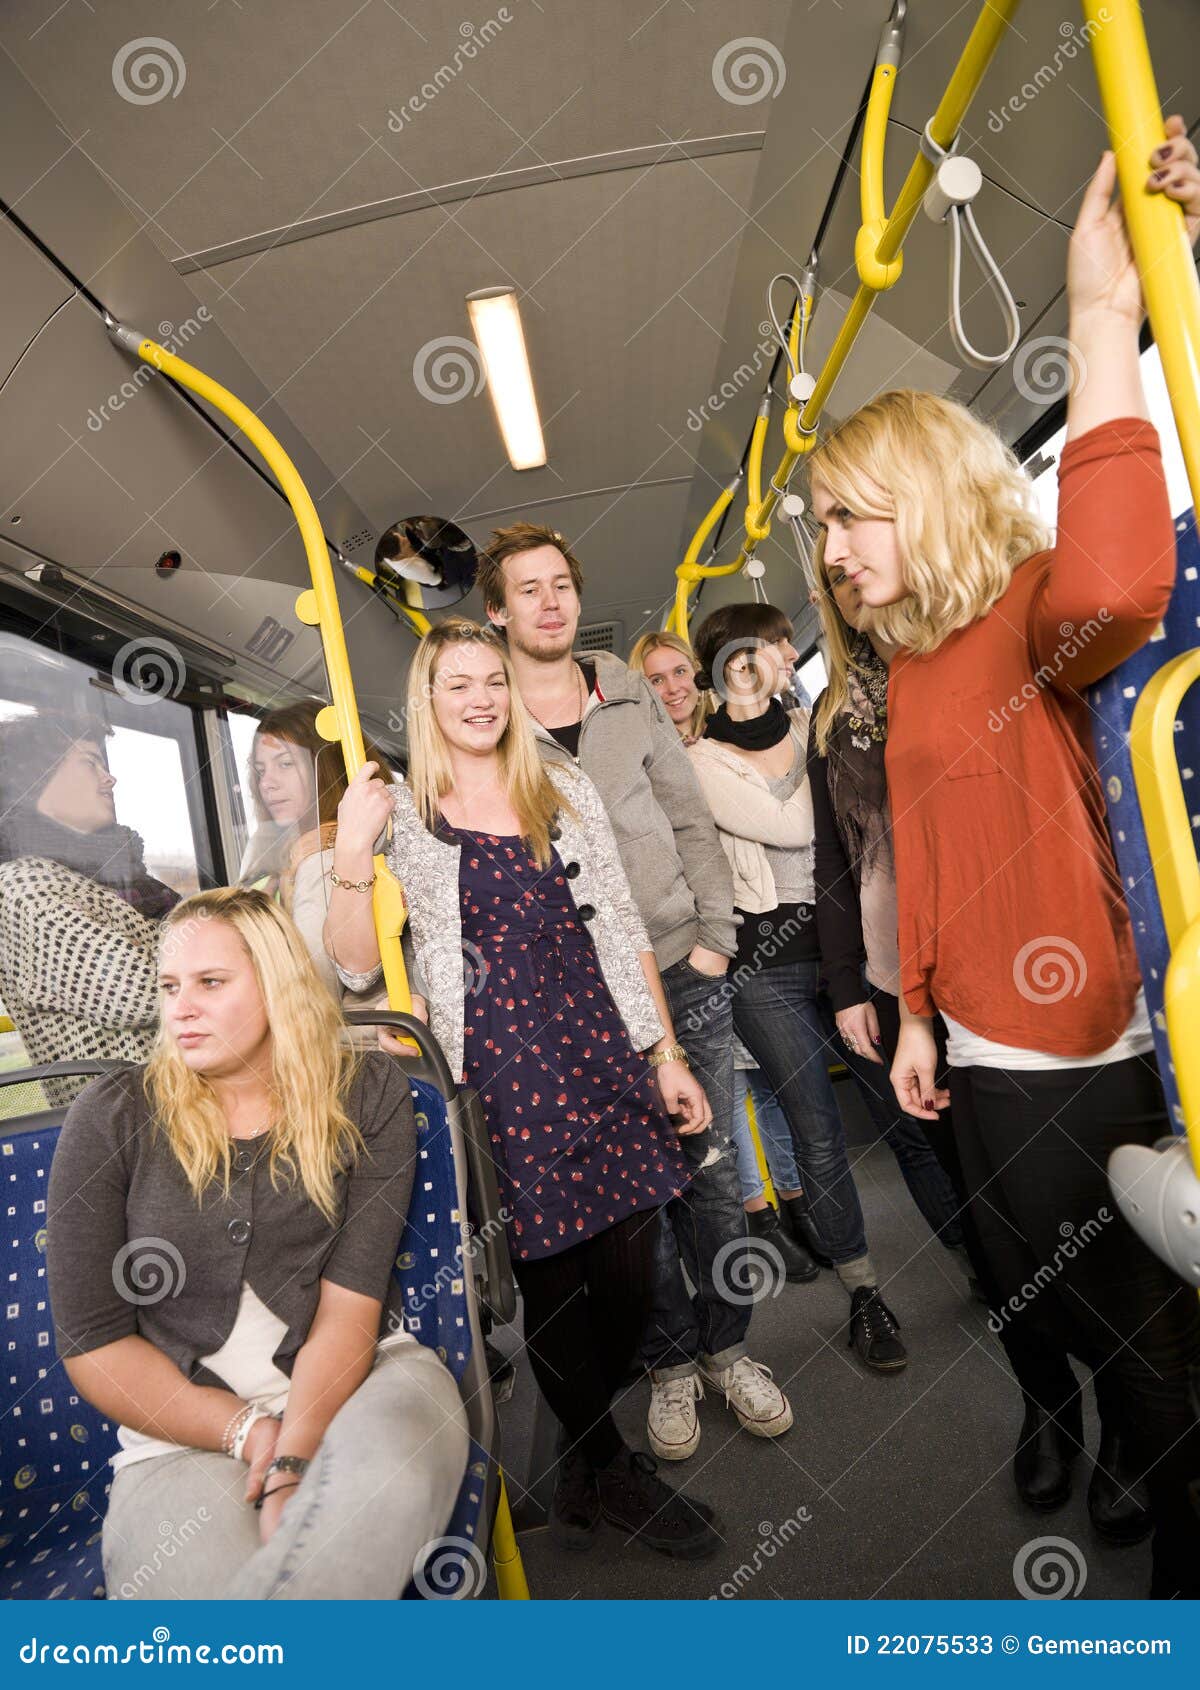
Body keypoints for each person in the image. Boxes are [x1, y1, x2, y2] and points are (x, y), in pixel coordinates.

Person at [806, 121, 1200, 1597]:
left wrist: (1103, 320)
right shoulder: (907, 662)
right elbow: (921, 842)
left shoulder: (1035, 608)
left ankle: (1179, 1552)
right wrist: (914, 1007)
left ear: (927, 487)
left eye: (850, 516)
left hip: (1063, 1035)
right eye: (823, 526)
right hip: (965, 1034)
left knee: (1133, 1327)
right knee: (1025, 1279)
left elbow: (1119, 579)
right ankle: (1080, 1428)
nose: (833, 551)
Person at [326, 619, 723, 1559]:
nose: (479, 699)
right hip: (501, 1073)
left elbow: (622, 928)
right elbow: (351, 969)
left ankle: (587, 1464)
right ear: (427, 701)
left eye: (492, 682)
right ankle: (611, 1466)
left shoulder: (563, 785)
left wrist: (664, 1051)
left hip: (600, 1043)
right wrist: (350, 850)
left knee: (632, 1261)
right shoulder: (404, 812)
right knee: (552, 1276)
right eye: (456, 683)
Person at [806, 547, 1150, 1541]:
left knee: (1085, 1220)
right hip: (906, 984)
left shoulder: (995, 645)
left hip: (1023, 968)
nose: (853, 580)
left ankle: (1133, 1419)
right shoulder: (838, 714)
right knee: (997, 1234)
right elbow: (842, 863)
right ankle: (1048, 1399)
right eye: (835, 575)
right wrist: (850, 988)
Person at [46, 886, 468, 1600]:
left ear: (277, 984)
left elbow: (348, 1307)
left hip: (370, 1384)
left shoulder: (366, 1093)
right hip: (179, 1436)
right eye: (170, 987)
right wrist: (248, 1433)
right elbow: (93, 1343)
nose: (180, 1008)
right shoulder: (110, 1119)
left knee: (358, 1524)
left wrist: (295, 1451)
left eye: (211, 983)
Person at [476, 524, 793, 1467]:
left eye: (561, 584)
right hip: (584, 999)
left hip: (679, 963)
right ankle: (666, 1365)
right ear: (497, 612)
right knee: (635, 1199)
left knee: (716, 1178)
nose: (549, 602)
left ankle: (728, 1348)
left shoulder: (623, 692)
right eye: (527, 590)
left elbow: (689, 818)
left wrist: (713, 941)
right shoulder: (489, 716)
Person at [688, 601, 908, 1371]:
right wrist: (822, 778)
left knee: (907, 1105)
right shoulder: (699, 761)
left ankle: (981, 1254)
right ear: (719, 672)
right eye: (749, 652)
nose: (771, 660)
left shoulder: (822, 724)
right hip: (765, 967)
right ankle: (865, 1292)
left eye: (780, 646)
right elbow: (796, 828)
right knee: (818, 1129)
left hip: (852, 944)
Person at [630, 630, 817, 1282]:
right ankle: (757, 1214)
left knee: (771, 1083)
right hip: (699, 943)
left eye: (682, 672)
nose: (674, 687)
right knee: (728, 1090)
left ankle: (796, 1202)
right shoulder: (642, 765)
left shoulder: (724, 741)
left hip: (752, 924)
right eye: (657, 678)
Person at [0, 715, 178, 1102]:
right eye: (89, 763)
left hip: (180, 1097)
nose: (108, 778)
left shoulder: (109, 874)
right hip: (127, 1118)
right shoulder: (22, 889)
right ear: (37, 780)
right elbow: (140, 990)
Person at [240, 703, 396, 1005]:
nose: (267, 783)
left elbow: (313, 990)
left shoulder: (321, 857)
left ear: (325, 767)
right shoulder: (289, 856)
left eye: (285, 764)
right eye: (261, 771)